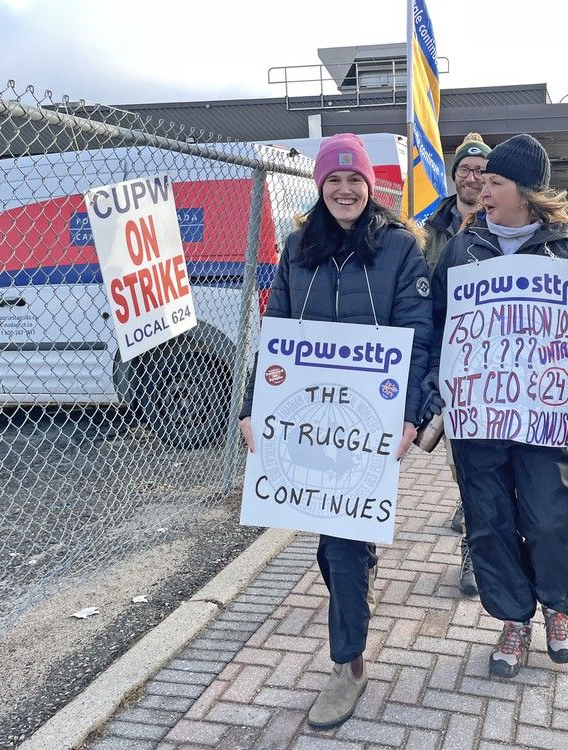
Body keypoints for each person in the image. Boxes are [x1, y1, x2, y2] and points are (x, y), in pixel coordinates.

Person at [238, 133, 432, 731]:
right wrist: (252, 405)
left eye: (355, 180)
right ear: (320, 188)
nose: (345, 190)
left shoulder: (400, 248)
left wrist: (412, 415)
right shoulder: (298, 247)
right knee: (334, 547)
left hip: (369, 421)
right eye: (334, 180)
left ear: (370, 187)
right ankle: (358, 581)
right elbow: (276, 329)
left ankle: (347, 665)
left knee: (341, 544)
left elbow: (418, 331)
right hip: (311, 424)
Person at [424, 134, 568, 679]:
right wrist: (434, 386)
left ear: (526, 191)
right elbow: (436, 326)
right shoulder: (463, 248)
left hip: (542, 415)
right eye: (481, 180)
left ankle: (558, 608)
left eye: (495, 182)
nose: (481, 189)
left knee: (551, 518)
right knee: (489, 521)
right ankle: (513, 619)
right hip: (478, 417)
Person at [423, 133, 492, 598]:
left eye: (481, 171)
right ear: (455, 176)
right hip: (450, 363)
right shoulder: (429, 229)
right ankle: (472, 517)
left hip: (497, 365)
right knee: (462, 457)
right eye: (465, 170)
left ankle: (477, 544)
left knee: (483, 462)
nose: (472, 177)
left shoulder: (507, 224)